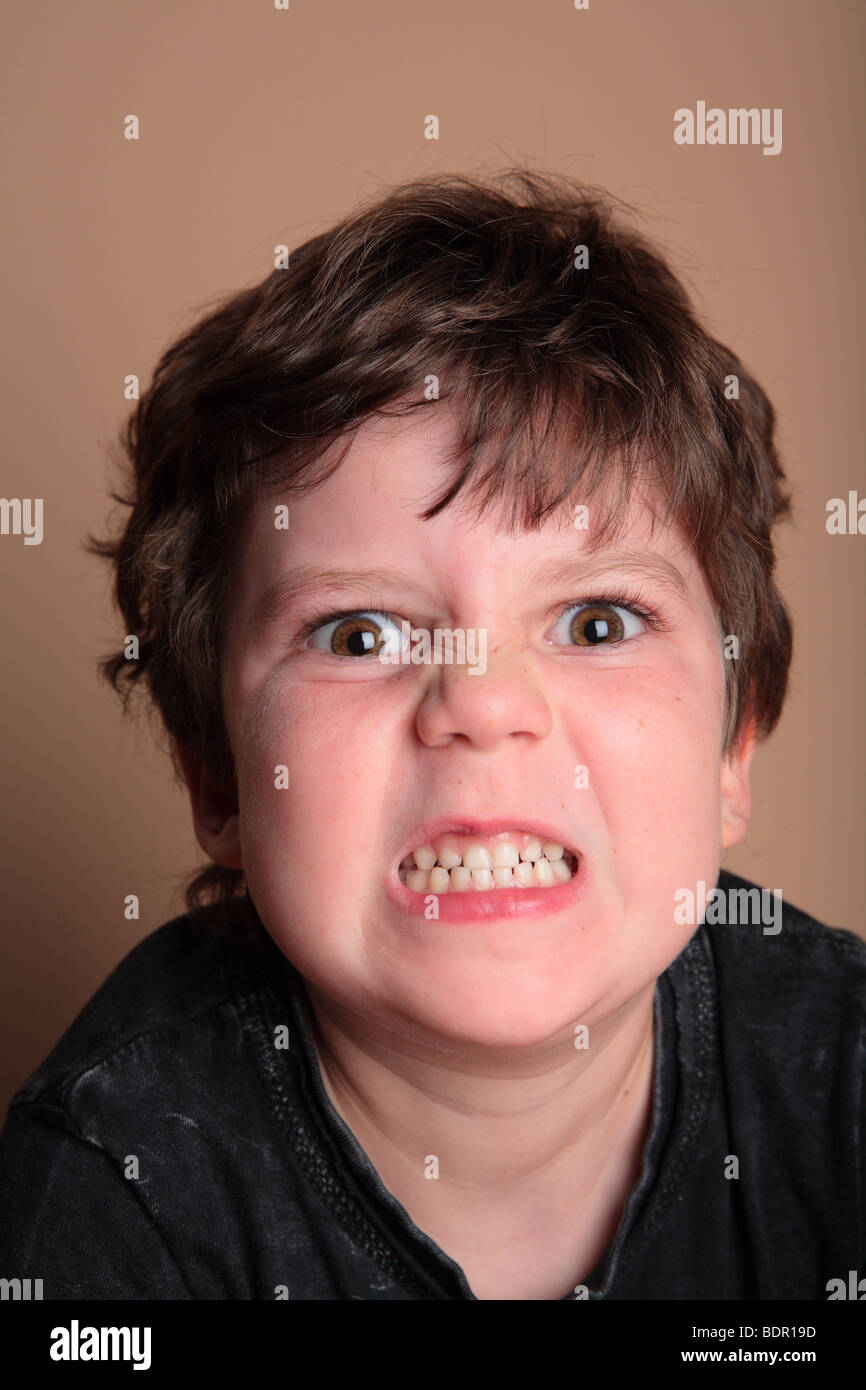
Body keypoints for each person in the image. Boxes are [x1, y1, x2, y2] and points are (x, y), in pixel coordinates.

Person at [1, 170, 863, 1301]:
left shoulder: (835, 1088)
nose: (481, 702)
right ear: (214, 770)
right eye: (359, 635)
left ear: (730, 751)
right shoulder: (114, 1192)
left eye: (595, 621)